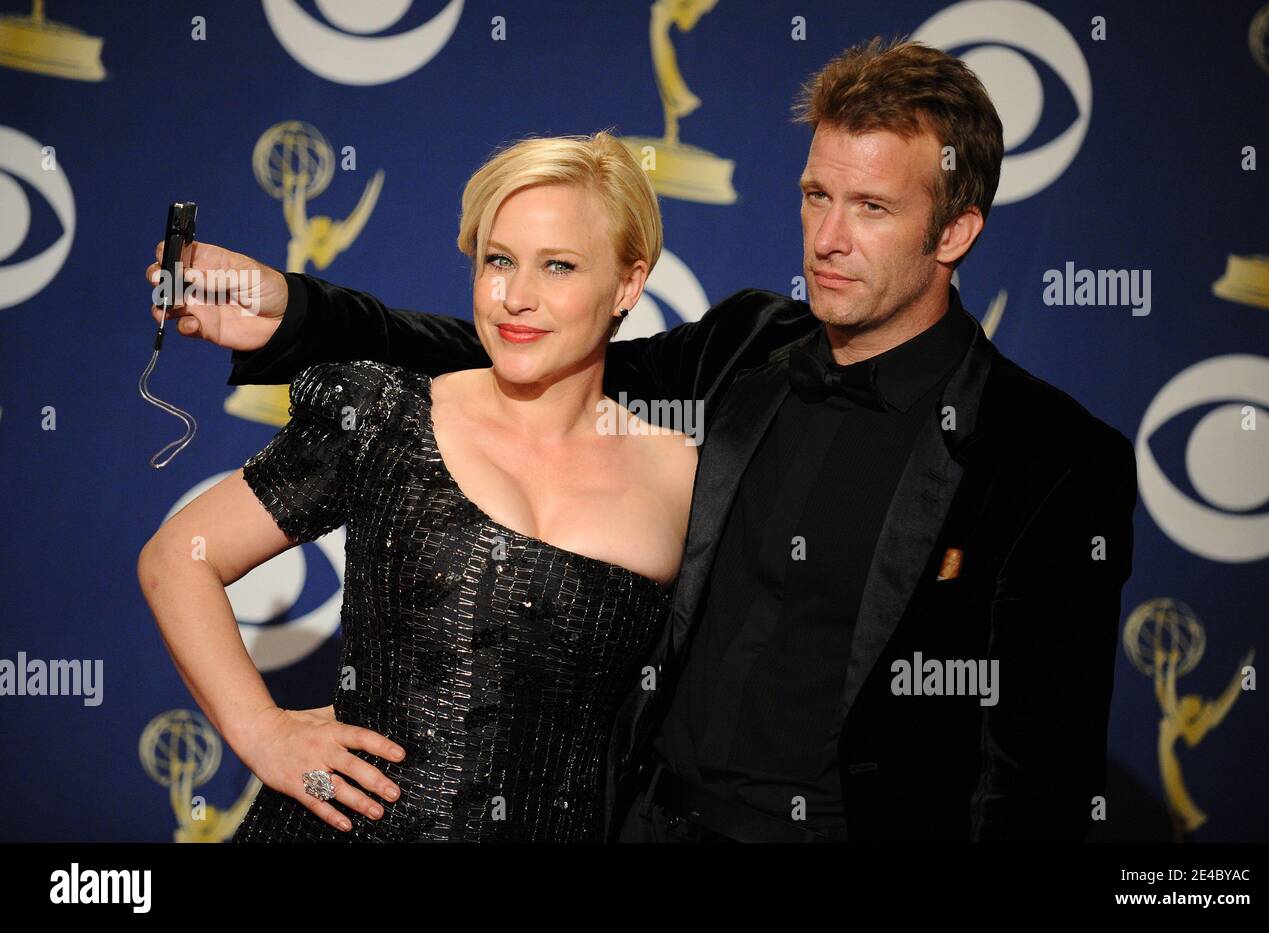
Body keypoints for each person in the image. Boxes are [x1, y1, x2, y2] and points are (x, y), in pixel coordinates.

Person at [151, 37, 1138, 843]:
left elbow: (1032, 783)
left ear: (955, 231)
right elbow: (530, 343)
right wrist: (291, 310)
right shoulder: (745, 349)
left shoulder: (1050, 459)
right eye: (814, 196)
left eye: (872, 208)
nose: (827, 239)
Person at [138, 130, 698, 842]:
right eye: (498, 260)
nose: (516, 296)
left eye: (558, 266)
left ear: (628, 283)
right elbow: (176, 559)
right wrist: (263, 732)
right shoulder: (388, 414)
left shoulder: (684, 475)